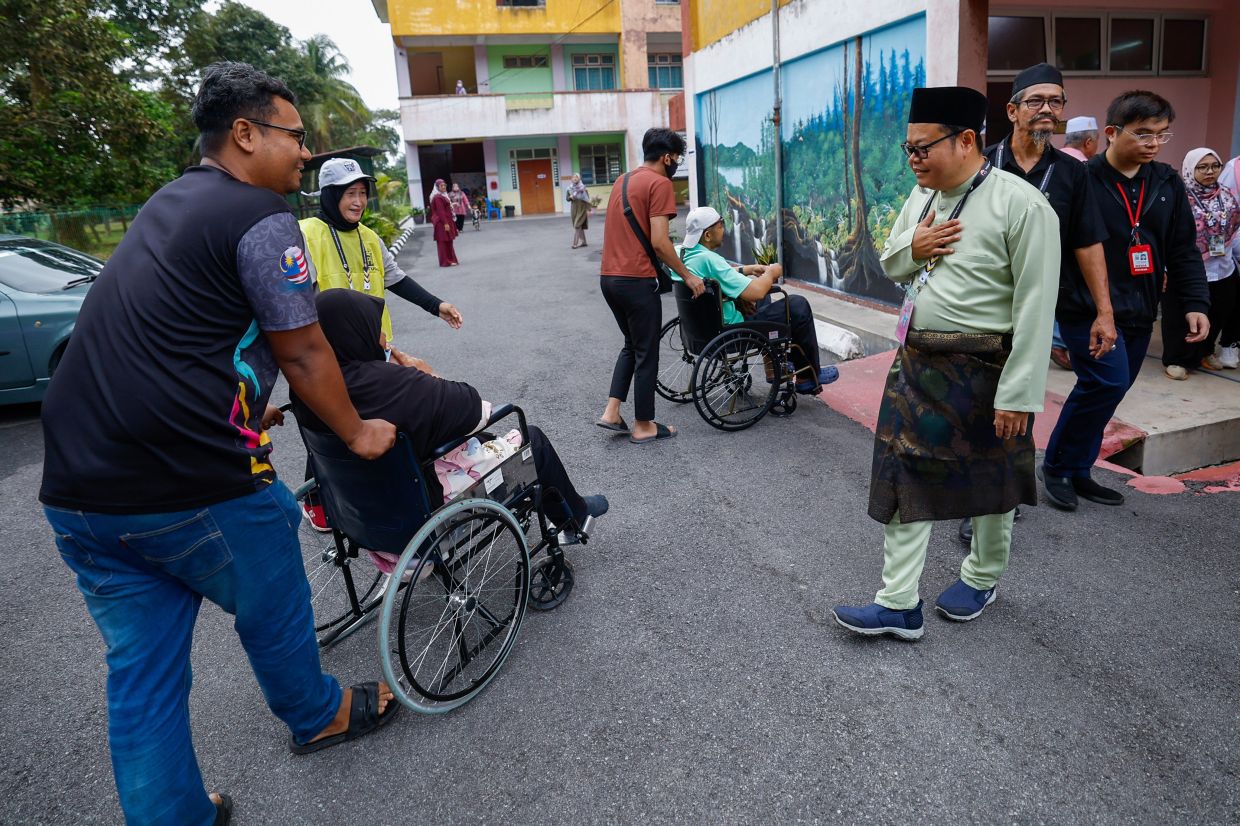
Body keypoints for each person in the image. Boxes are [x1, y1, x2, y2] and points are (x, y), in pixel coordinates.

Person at [38, 62, 400, 826]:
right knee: (271, 581)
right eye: (294, 136)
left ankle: (172, 815)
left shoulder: (168, 202)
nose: (304, 154)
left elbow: (167, 336)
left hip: (76, 487)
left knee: (141, 672)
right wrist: (359, 430)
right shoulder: (260, 218)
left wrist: (237, 409)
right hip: (186, 481)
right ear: (245, 134)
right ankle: (318, 714)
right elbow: (302, 352)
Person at [831, 86, 1059, 640]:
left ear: (965, 140)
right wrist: (919, 243)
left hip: (986, 369)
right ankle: (898, 603)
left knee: (992, 482)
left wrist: (1018, 395)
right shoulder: (923, 198)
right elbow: (890, 262)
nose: (913, 160)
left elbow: (1035, 308)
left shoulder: (1022, 205)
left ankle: (982, 576)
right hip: (918, 363)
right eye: (907, 150)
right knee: (902, 471)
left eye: (921, 149)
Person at [956, 63, 1114, 547]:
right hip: (982, 305)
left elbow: (1089, 242)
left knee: (1022, 400)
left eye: (1056, 101)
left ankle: (1017, 488)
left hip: (1043, 304)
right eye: (1035, 100)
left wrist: (1104, 310)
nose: (1047, 109)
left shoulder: (1072, 173)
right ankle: (981, 499)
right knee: (981, 403)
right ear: (1012, 110)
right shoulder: (981, 165)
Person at [295, 290, 609, 532]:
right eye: (375, 327)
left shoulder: (311, 389)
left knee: (480, 437)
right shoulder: (392, 383)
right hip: (422, 505)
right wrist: (424, 374)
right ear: (356, 332)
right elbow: (475, 410)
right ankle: (575, 518)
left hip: (362, 510)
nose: (384, 337)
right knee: (532, 441)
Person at [1042, 90, 1210, 508]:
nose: (1153, 143)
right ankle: (1058, 466)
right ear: (1112, 132)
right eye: (1143, 134)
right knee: (1105, 381)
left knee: (1110, 390)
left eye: (1161, 135)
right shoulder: (1082, 180)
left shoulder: (1167, 182)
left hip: (1139, 308)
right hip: (1087, 309)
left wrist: (1195, 302)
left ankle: (1079, 469)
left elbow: (1184, 248)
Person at [596, 127, 705, 445]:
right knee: (647, 352)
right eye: (677, 158)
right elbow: (659, 242)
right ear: (668, 157)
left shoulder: (623, 180)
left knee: (632, 344)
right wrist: (688, 275)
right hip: (636, 280)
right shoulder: (659, 184)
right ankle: (643, 424)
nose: (676, 164)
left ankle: (612, 412)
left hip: (609, 279)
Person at [672, 205, 839, 391]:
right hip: (731, 329)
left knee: (762, 302)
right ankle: (807, 376)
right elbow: (757, 291)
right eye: (720, 224)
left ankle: (772, 368)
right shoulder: (710, 259)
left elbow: (718, 275)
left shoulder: (682, 253)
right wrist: (772, 272)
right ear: (707, 235)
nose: (724, 228)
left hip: (701, 329)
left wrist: (748, 269)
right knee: (797, 306)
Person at [300, 158, 463, 346]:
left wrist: (437, 306)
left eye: (362, 193)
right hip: (332, 351)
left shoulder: (369, 237)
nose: (359, 202)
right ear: (331, 195)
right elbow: (300, 303)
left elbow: (396, 279)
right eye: (350, 193)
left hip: (376, 345)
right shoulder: (306, 235)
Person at [1166, 148, 1238, 371]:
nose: (1210, 172)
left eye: (1215, 166)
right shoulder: (1179, 197)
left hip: (1222, 265)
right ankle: (1176, 360)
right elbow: (1167, 233)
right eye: (1202, 167)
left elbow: (1234, 228)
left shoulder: (1226, 194)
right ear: (1190, 169)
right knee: (1181, 315)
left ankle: (1204, 353)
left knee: (1217, 310)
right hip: (1188, 268)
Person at [429, 178, 459, 267]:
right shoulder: (437, 197)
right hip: (441, 223)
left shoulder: (443, 196)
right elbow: (440, 211)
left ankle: (451, 259)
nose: (443, 187)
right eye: (441, 186)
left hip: (446, 221)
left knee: (449, 241)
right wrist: (445, 223)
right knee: (443, 242)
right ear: (437, 187)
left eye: (444, 185)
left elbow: (446, 207)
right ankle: (445, 261)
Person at [568, 173, 592, 249]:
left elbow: (587, 199)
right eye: (573, 177)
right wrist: (570, 197)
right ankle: (584, 242)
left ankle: (575, 244)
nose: (575, 179)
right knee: (579, 225)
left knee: (577, 225)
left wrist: (589, 210)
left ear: (579, 179)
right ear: (571, 179)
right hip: (574, 208)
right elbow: (567, 199)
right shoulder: (569, 188)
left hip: (582, 207)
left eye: (576, 177)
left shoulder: (583, 188)